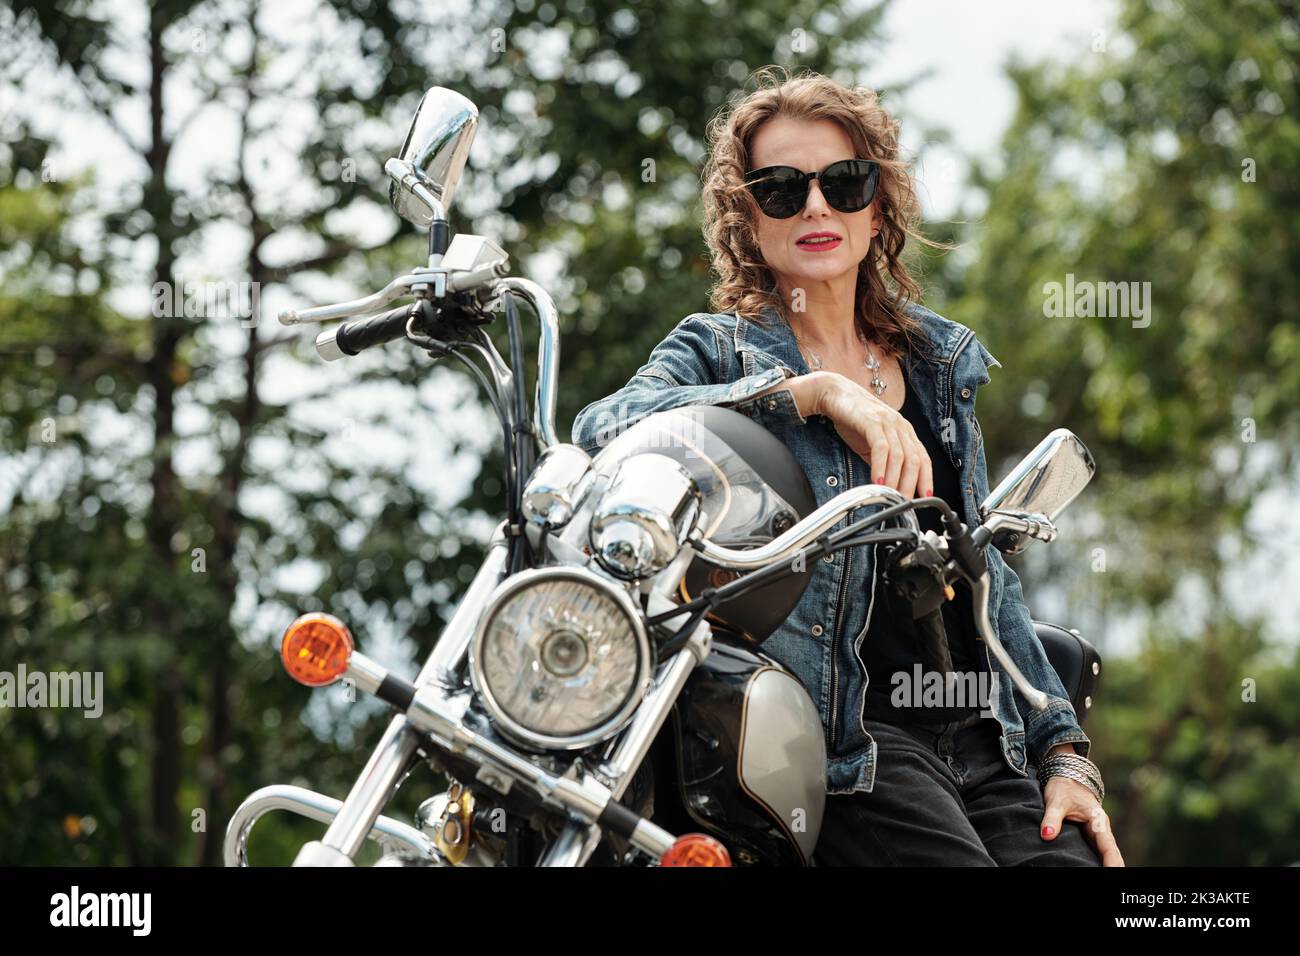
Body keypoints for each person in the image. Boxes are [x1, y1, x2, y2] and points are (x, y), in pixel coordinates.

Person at [571, 67, 1122, 866]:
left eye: (844, 181)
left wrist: (1064, 753)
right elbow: (602, 426)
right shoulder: (716, 348)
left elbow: (984, 573)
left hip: (983, 729)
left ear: (878, 206)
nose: (818, 205)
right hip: (856, 738)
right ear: (747, 217)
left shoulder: (937, 359)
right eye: (782, 189)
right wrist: (815, 395)